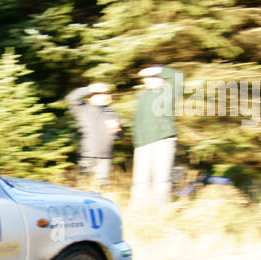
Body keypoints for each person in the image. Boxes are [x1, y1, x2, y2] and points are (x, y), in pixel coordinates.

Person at [130, 65, 178, 206]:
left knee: (161, 179)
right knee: (140, 180)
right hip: (142, 144)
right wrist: (138, 143)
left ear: (161, 79)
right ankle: (138, 209)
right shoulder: (143, 96)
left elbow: (178, 79)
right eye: (147, 78)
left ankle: (160, 210)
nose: (149, 80)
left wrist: (158, 70)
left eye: (153, 77)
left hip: (163, 141)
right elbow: (138, 120)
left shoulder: (167, 92)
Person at [65, 82, 121, 187]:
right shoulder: (83, 109)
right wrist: (89, 89)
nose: (102, 96)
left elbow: (118, 133)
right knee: (84, 185)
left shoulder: (110, 112)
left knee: (102, 188)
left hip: (105, 157)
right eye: (98, 94)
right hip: (88, 155)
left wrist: (116, 133)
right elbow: (71, 98)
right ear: (92, 96)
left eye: (104, 93)